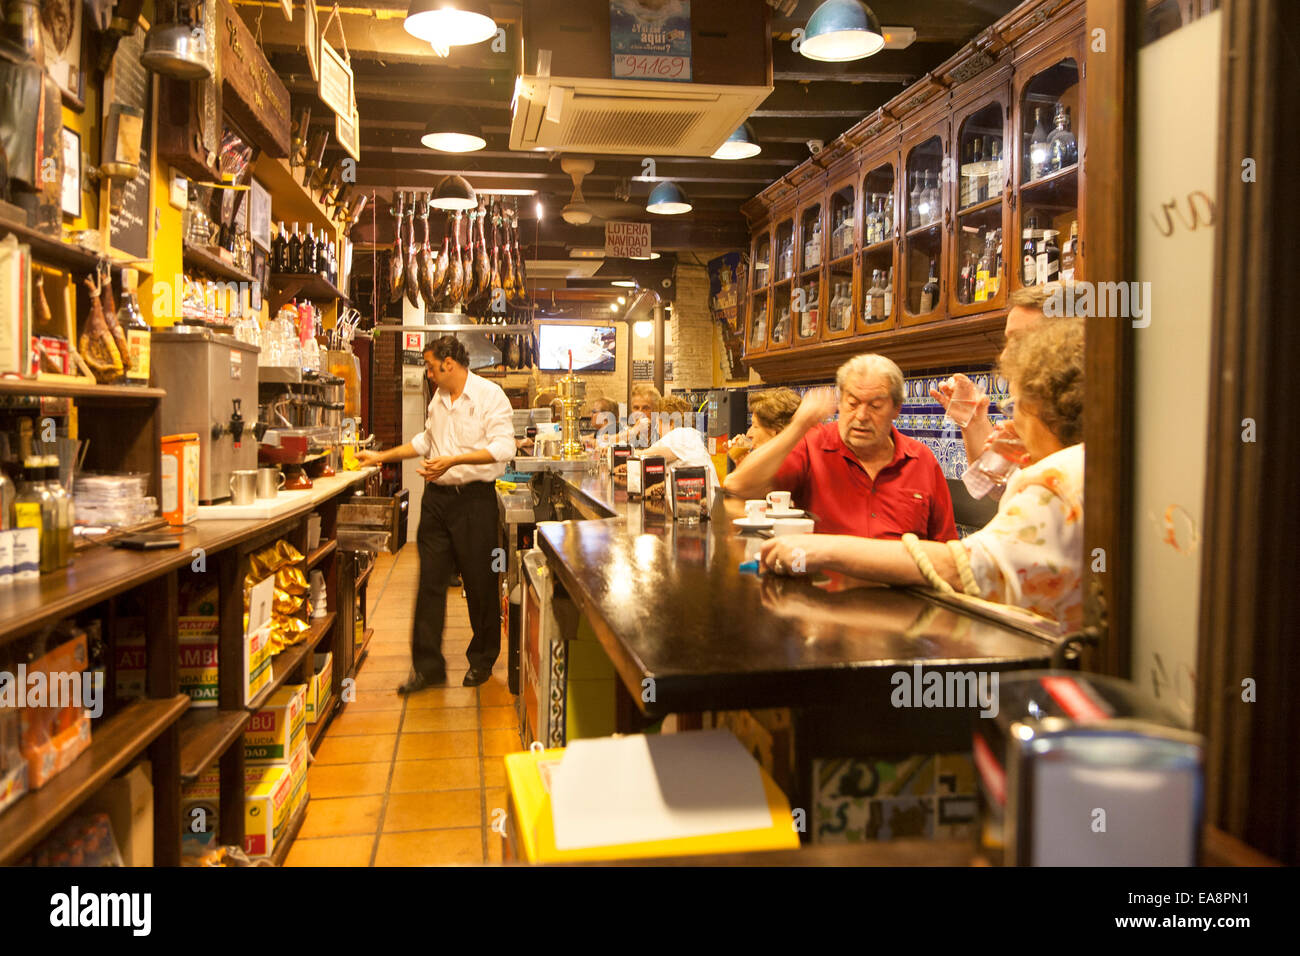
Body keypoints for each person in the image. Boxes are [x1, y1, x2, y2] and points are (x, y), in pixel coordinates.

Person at [760, 319, 1085, 632]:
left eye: (1014, 405)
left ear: (1042, 407)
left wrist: (816, 550)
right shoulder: (1077, 464)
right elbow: (987, 484)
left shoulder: (1054, 480)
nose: (1010, 420)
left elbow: (958, 567)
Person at [356, 336, 516, 692]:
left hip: (475, 501)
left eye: (430, 366)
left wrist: (454, 460)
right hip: (437, 503)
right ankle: (428, 668)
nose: (427, 373)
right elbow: (425, 442)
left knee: (479, 582)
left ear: (449, 363)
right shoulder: (438, 401)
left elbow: (504, 448)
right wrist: (379, 457)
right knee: (430, 582)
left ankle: (483, 659)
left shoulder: (490, 396)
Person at [724, 353, 957, 541]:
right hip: (824, 589)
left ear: (896, 409)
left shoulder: (921, 460)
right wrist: (799, 426)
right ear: (840, 402)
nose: (862, 416)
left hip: (903, 593)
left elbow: (947, 547)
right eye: (853, 403)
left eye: (875, 406)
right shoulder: (814, 445)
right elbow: (738, 485)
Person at [930, 282, 1069, 465]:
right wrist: (973, 420)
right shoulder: (1030, 414)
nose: (1003, 357)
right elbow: (991, 483)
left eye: (1019, 340)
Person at [641, 394, 720, 491]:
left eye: (658, 425)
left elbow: (645, 457)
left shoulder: (680, 434)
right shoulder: (691, 436)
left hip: (700, 502)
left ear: (671, 423)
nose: (658, 431)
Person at [727, 387, 800, 470]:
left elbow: (731, 482)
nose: (748, 434)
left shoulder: (786, 470)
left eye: (755, 426)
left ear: (776, 431)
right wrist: (743, 464)